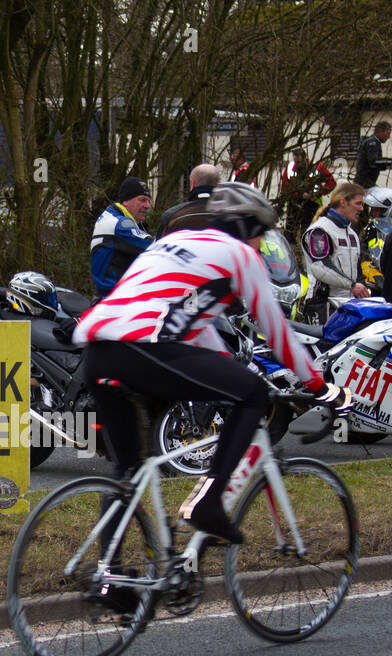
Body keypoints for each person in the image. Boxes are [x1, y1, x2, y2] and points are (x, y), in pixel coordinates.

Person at [72, 182, 352, 544]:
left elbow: (195, 323)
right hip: (144, 346)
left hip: (97, 349)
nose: (261, 247)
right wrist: (319, 387)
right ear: (249, 228)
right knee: (251, 395)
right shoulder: (240, 255)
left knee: (128, 470)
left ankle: (111, 578)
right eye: (262, 236)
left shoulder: (173, 244)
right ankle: (208, 504)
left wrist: (227, 369)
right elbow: (277, 331)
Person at [302, 182, 372, 320]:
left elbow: (358, 271)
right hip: (322, 304)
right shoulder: (319, 230)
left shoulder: (352, 233)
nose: (362, 208)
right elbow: (321, 267)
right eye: (358, 203)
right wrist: (352, 286)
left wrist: (362, 291)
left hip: (349, 306)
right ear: (343, 202)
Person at [91, 176, 153, 297]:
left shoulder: (112, 216)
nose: (148, 206)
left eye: (148, 201)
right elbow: (156, 246)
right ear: (126, 201)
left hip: (112, 299)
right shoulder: (120, 224)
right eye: (142, 200)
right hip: (113, 302)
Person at [278, 147, 336, 241]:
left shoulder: (317, 168)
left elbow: (331, 183)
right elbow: (285, 187)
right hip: (293, 205)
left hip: (312, 204)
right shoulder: (290, 168)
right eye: (295, 161)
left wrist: (316, 194)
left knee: (309, 233)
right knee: (289, 234)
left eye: (299, 162)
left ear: (305, 159)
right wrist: (298, 195)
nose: (297, 165)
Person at [156, 164, 221, 238]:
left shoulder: (172, 215)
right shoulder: (231, 216)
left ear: (192, 184)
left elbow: (159, 245)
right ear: (219, 185)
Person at [354, 121, 392, 189]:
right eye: (388, 134)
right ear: (381, 131)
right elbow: (374, 162)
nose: (388, 137)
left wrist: (386, 166)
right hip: (364, 183)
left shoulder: (374, 142)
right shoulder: (373, 143)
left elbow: (373, 165)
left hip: (366, 182)